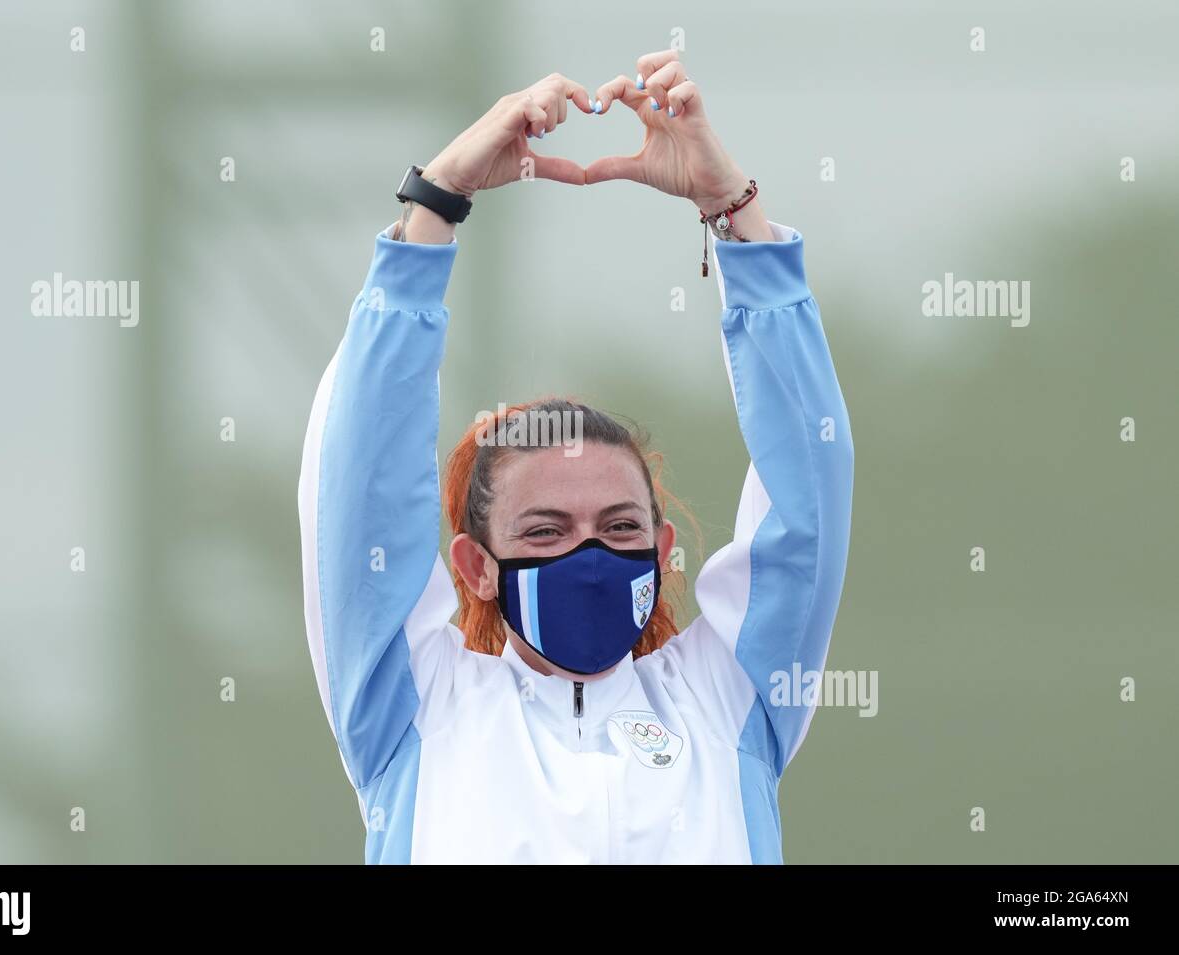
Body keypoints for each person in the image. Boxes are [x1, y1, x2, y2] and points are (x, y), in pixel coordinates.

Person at [298, 49, 854, 864]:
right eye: (547, 531)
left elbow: (811, 484)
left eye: (619, 524)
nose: (589, 553)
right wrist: (435, 203)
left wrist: (733, 210)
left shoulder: (729, 700)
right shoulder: (412, 709)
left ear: (664, 555)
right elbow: (359, 490)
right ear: (475, 566)